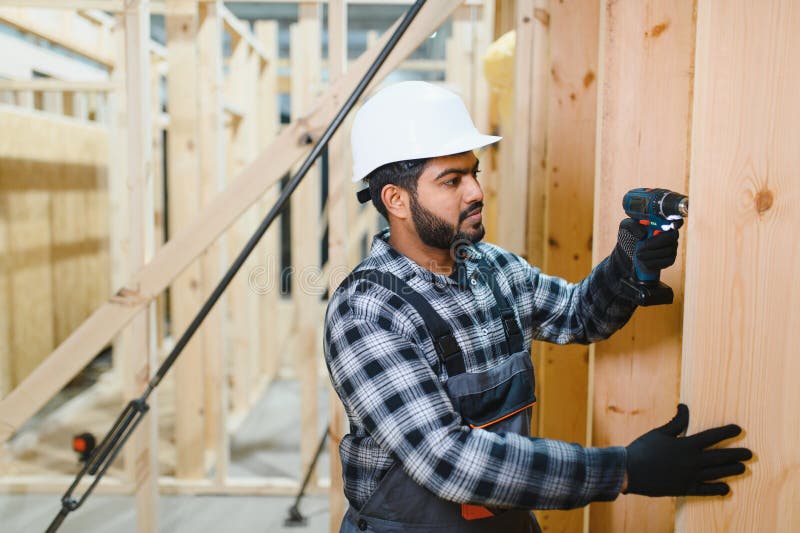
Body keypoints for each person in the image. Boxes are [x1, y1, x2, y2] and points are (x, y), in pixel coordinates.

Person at [323, 81, 751, 533]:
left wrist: (625, 264)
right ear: (396, 200)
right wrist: (625, 470)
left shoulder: (493, 268)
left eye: (474, 173)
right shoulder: (366, 312)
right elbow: (448, 461)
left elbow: (577, 315)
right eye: (452, 180)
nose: (475, 192)